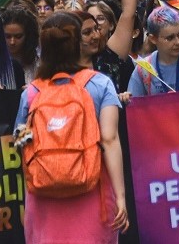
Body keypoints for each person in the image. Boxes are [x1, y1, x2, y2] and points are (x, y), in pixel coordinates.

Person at [16, 12, 130, 242]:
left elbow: (20, 143)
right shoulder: (100, 84)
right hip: (93, 193)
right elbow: (109, 140)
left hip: (43, 198)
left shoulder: (32, 92)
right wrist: (120, 197)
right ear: (77, 44)